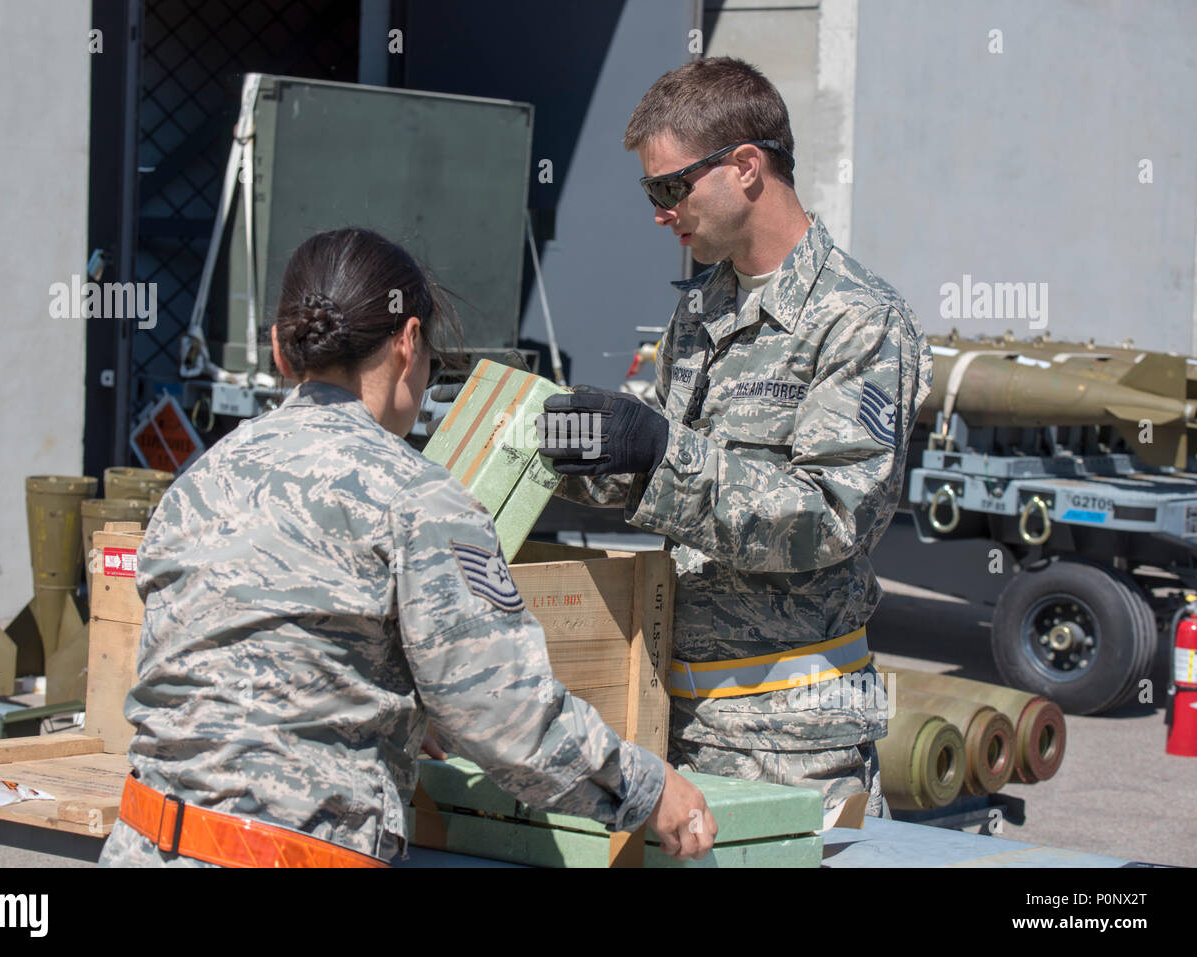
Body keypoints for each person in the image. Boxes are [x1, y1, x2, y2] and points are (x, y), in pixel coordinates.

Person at [99, 227, 715, 868]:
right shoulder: (420, 499)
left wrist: (382, 712)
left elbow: (237, 666)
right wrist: (649, 788)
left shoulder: (200, 482)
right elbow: (506, 717)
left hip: (142, 843)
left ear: (282, 352)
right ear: (408, 342)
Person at [537, 57, 933, 818]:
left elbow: (830, 517)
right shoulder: (703, 310)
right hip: (672, 721)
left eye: (669, 187)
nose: (660, 213)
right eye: (650, 192)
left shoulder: (859, 319)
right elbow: (662, 484)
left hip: (791, 745)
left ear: (746, 167)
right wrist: (569, 453)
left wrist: (658, 452)